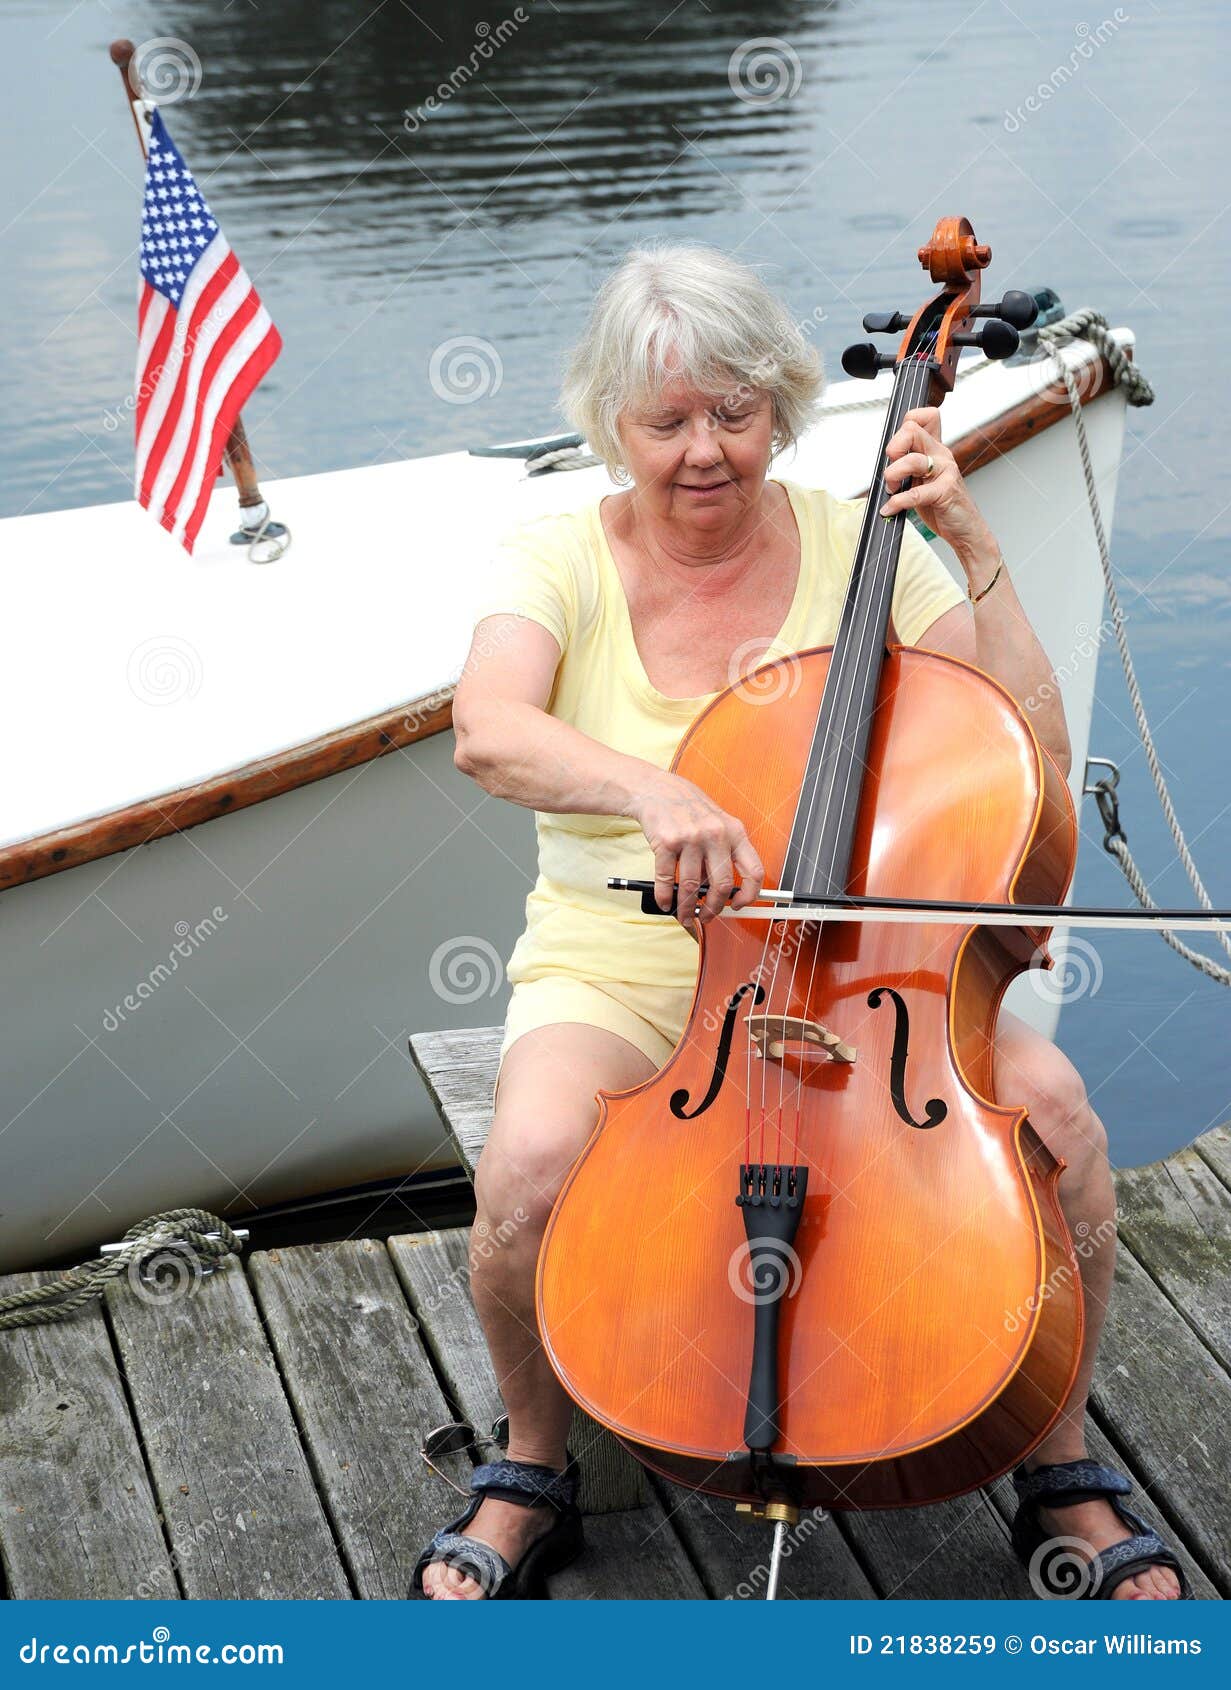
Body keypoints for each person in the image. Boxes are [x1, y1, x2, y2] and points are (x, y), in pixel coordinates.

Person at [410, 244, 1187, 1601]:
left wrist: (975, 544)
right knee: (529, 1165)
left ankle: (1055, 1463)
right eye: (667, 421)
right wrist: (653, 790)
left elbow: (1024, 760)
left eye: (735, 411)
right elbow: (489, 731)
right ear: (613, 424)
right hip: (626, 965)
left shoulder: (851, 546)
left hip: (859, 978)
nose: (704, 450)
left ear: (777, 406)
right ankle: (533, 1459)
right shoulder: (558, 556)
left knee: (1059, 1127)